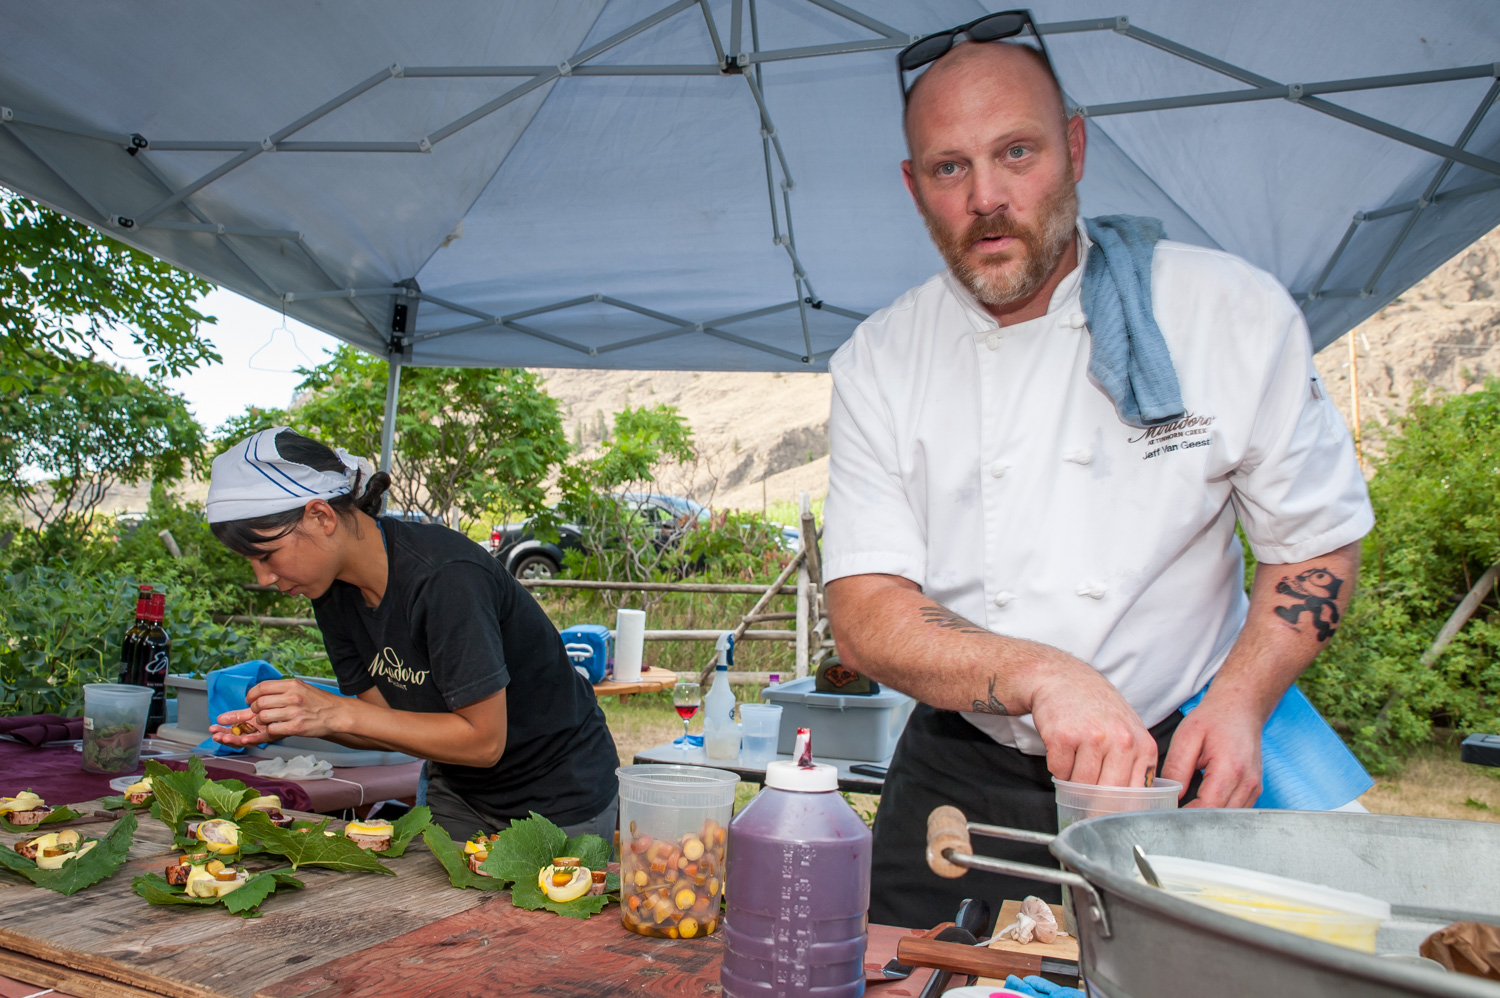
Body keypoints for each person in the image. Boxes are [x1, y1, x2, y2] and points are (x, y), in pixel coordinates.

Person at [822, 18, 1373, 927]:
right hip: (958, 775)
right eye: (950, 168)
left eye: (1017, 152)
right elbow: (867, 611)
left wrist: (1241, 703)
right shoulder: (880, 360)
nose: (987, 197)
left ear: (1074, 147)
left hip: (1178, 762)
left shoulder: (1228, 313)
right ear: (914, 187)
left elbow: (1313, 545)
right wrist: (1044, 673)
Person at [204, 426, 620, 841]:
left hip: (559, 797)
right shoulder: (330, 592)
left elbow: (484, 742)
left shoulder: (445, 580)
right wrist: (303, 721)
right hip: (459, 792)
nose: (262, 577)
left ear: (320, 516)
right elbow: (385, 722)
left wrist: (333, 711)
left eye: (266, 554)